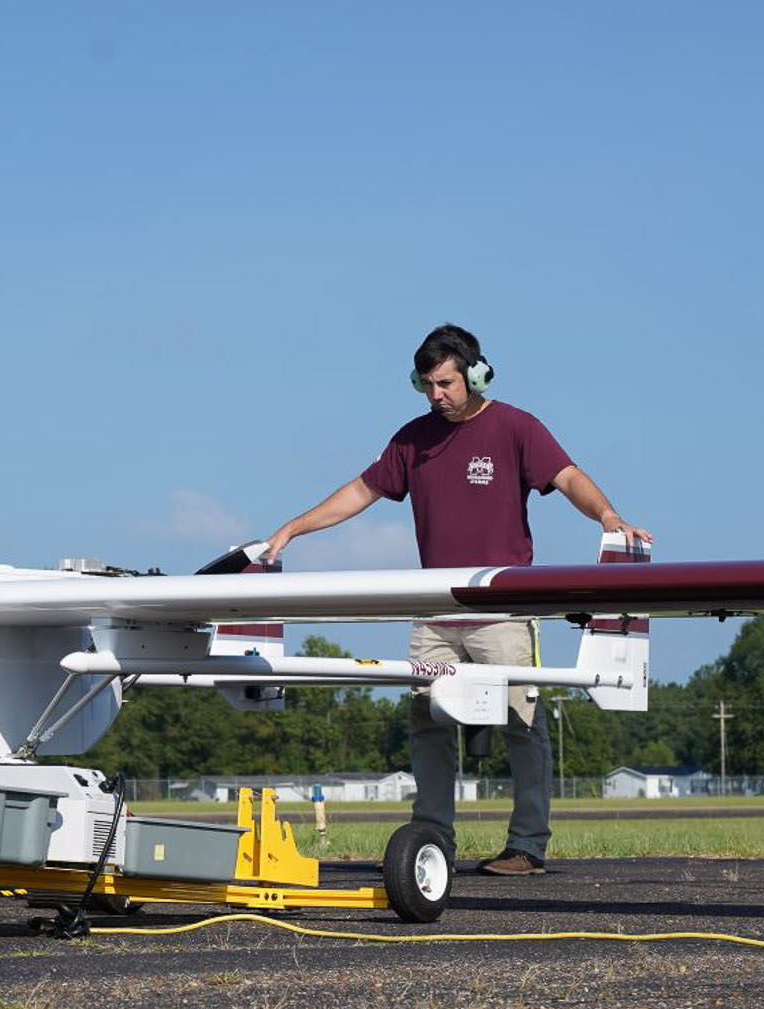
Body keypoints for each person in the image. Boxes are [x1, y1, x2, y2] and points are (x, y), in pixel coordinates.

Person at [262, 325, 649, 875]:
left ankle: (527, 846)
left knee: (522, 722)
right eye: (426, 385)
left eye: (445, 383)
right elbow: (359, 492)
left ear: (475, 374)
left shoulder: (517, 426)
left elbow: (567, 477)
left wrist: (607, 515)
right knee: (428, 722)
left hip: (501, 612)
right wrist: (295, 528)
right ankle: (434, 839)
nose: (436, 395)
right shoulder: (412, 439)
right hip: (436, 614)